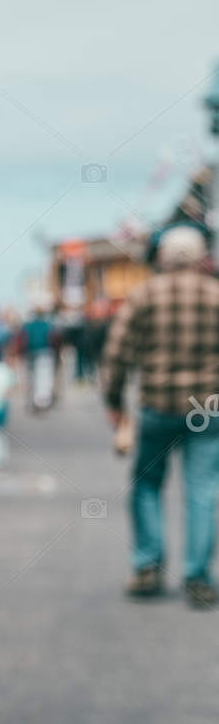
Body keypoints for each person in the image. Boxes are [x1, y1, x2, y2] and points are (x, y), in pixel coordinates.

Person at [102, 224, 219, 608]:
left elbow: (117, 352)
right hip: (208, 410)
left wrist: (114, 400)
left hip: (157, 406)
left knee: (147, 484)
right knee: (202, 490)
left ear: (164, 257)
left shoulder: (144, 294)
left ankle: (148, 566)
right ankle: (197, 577)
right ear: (202, 256)